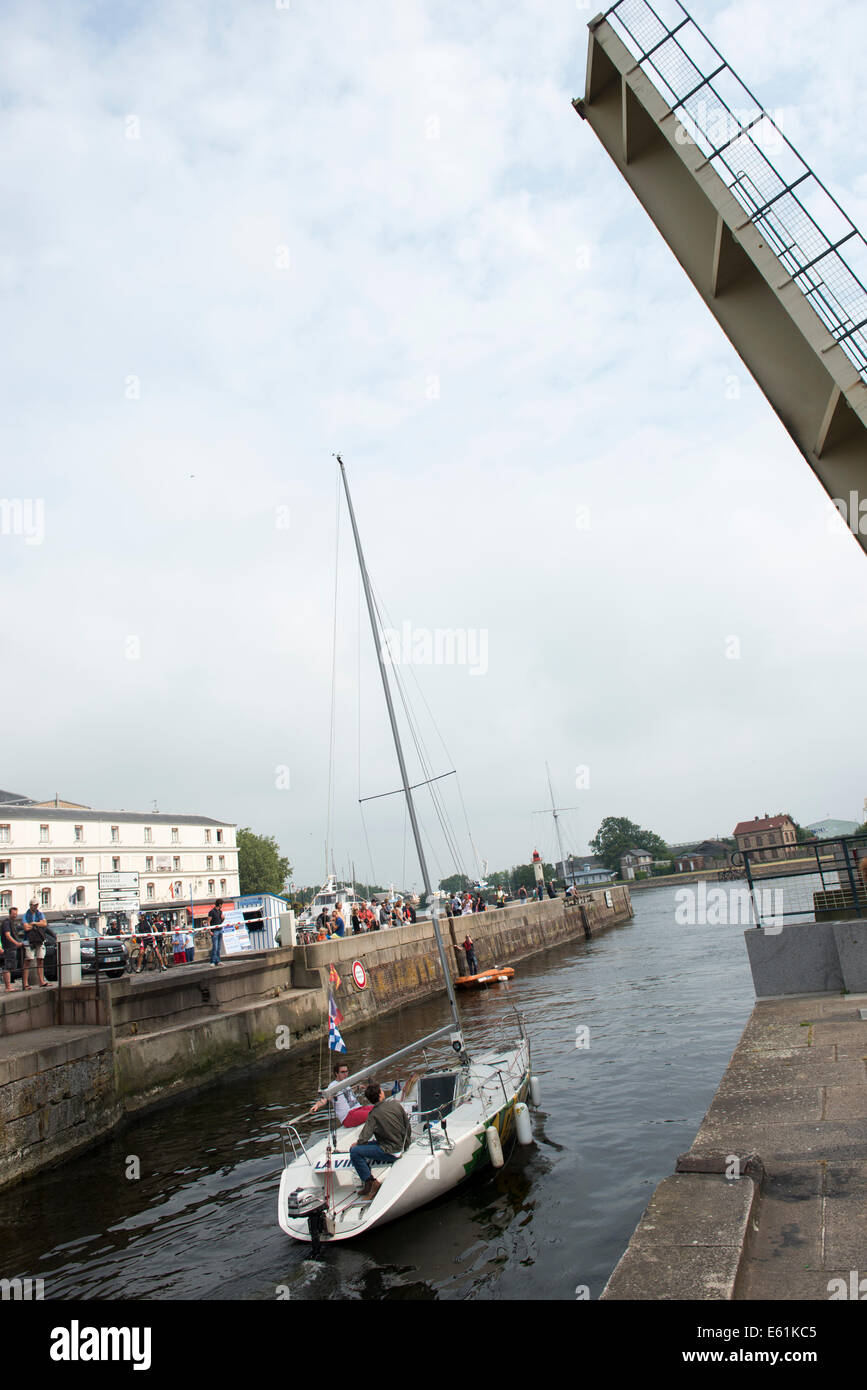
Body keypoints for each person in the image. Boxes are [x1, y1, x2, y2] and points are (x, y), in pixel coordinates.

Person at [349, 1083, 412, 1199]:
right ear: (380, 1094)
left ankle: (370, 1182)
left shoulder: (373, 1114)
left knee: (354, 1151)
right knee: (361, 1148)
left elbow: (364, 1138)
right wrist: (407, 1143)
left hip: (391, 1150)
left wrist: (357, 1144)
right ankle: (369, 1183)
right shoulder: (395, 1104)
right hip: (402, 1145)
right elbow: (407, 1125)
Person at [310, 1060, 363, 1124]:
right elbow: (325, 1098)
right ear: (336, 1073)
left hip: (358, 1109)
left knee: (376, 1109)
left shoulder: (345, 1082)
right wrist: (316, 1105)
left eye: (346, 1071)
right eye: (342, 1072)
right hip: (349, 1116)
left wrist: (358, 1087)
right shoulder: (333, 1086)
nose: (345, 1074)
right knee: (374, 1113)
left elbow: (348, 1092)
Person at [23, 899, 49, 987]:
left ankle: (41, 981)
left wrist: (34, 923)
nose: (35, 907)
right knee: (28, 959)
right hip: (29, 939)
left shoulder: (40, 914)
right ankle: (25, 983)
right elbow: (26, 928)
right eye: (33, 905)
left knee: (40, 959)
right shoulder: (26, 915)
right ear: (30, 905)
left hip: (39, 939)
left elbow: (44, 923)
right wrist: (38, 924)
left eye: (36, 905)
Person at [2, 907, 28, 992]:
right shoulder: (6, 922)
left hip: (12, 947)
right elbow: (7, 935)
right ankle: (8, 987)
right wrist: (16, 943)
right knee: (8, 966)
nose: (15, 915)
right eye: (14, 914)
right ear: (10, 913)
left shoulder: (11, 922)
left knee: (10, 966)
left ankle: (8, 986)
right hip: (9, 947)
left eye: (16, 914)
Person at [208, 899, 225, 966]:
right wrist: (209, 930)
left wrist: (223, 919)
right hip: (214, 931)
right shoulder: (211, 912)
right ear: (220, 904)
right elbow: (208, 921)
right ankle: (212, 961)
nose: (222, 906)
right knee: (215, 946)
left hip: (220, 930)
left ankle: (218, 961)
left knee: (218, 947)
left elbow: (221, 921)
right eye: (222, 905)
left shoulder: (220, 912)